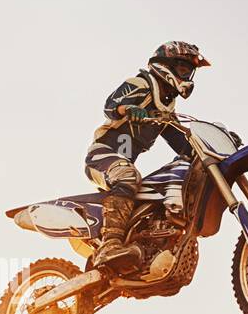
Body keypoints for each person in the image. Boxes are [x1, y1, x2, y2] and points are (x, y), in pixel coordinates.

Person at [84, 41, 211, 267]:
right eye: (183, 69)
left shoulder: (166, 107)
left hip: (124, 164)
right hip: (102, 155)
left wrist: (210, 146)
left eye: (189, 72)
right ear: (166, 65)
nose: (187, 76)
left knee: (181, 170)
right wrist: (129, 109)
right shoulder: (142, 83)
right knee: (128, 176)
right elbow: (110, 105)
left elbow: (181, 143)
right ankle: (109, 245)